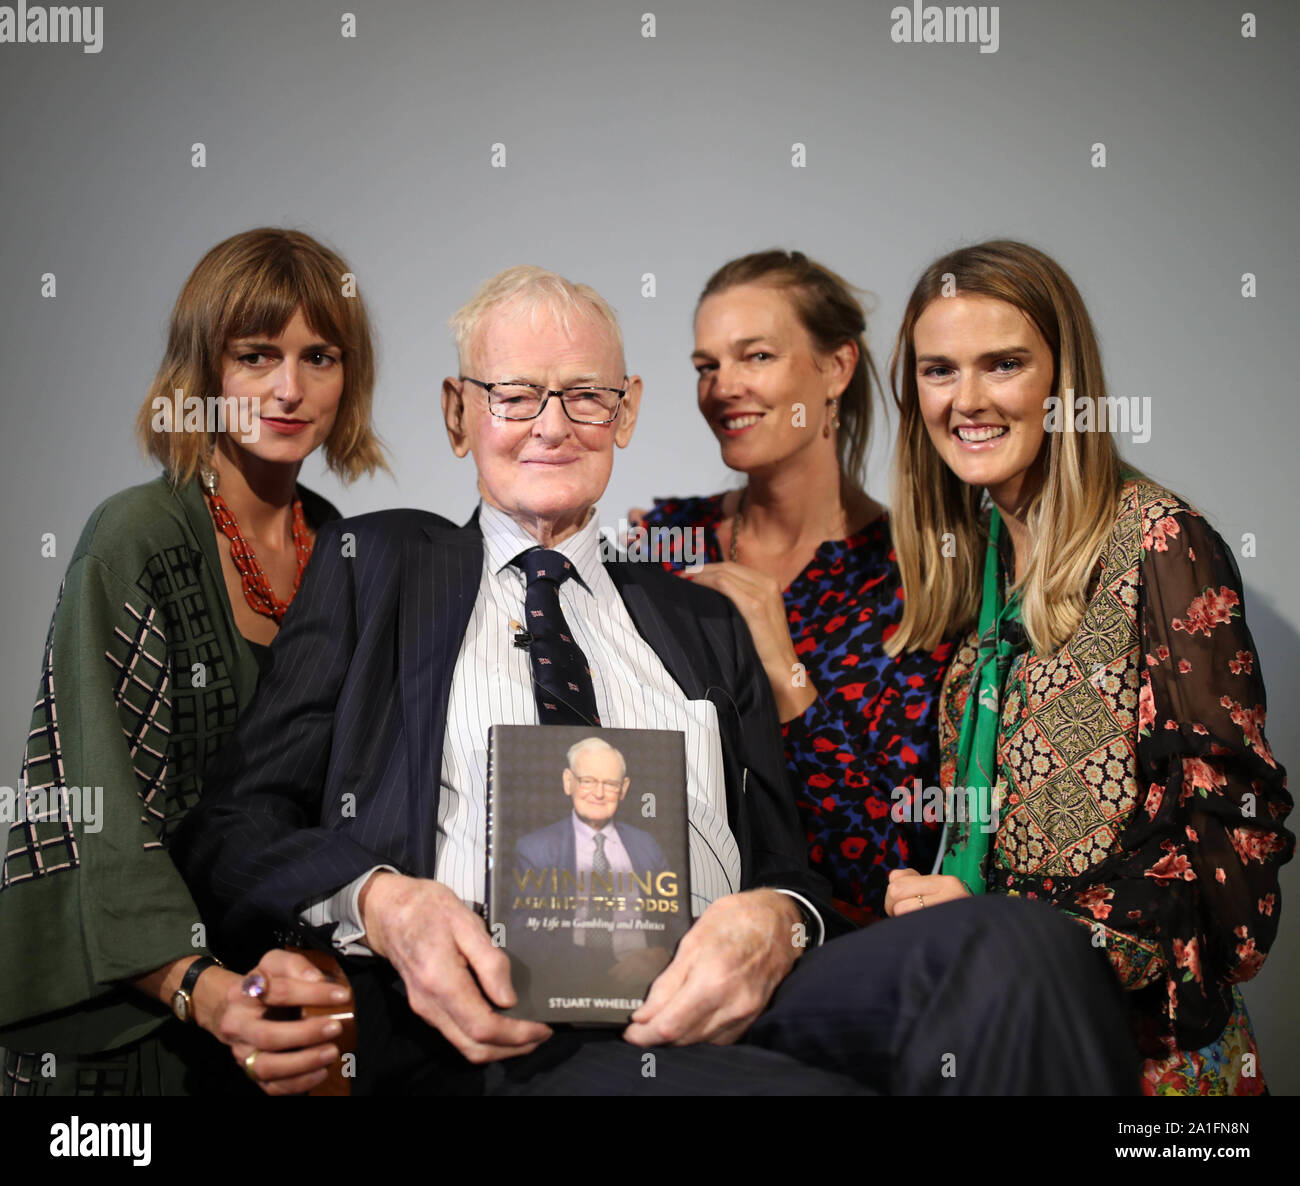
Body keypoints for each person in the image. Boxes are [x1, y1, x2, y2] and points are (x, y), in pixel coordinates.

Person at [173, 264, 1140, 1096]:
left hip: (729, 1001)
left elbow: (790, 867)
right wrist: (383, 903)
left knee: (1024, 947)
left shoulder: (701, 618)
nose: (553, 426)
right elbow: (233, 826)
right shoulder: (375, 566)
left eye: (585, 396)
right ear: (458, 413)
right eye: (514, 395)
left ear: (626, 411)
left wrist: (781, 920)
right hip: (499, 1032)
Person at [880, 239, 1294, 1095]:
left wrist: (1013, 929)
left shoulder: (1157, 541)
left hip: (1148, 1062)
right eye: (938, 370)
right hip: (1010, 1035)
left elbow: (1232, 847)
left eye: (1004, 364)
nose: (968, 400)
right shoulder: (976, 562)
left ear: (1064, 385)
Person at [0, 227, 387, 1096]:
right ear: (202, 374)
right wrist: (202, 990)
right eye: (256, 356)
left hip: (286, 1029)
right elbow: (89, 805)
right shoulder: (135, 537)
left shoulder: (349, 554)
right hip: (136, 1028)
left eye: (319, 356)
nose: (289, 389)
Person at [637, 251, 951, 924]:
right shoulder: (664, 541)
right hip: (655, 935)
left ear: (836, 368)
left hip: (831, 959)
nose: (723, 388)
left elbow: (885, 873)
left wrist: (785, 672)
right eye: (706, 366)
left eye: (755, 357)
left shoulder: (913, 581)